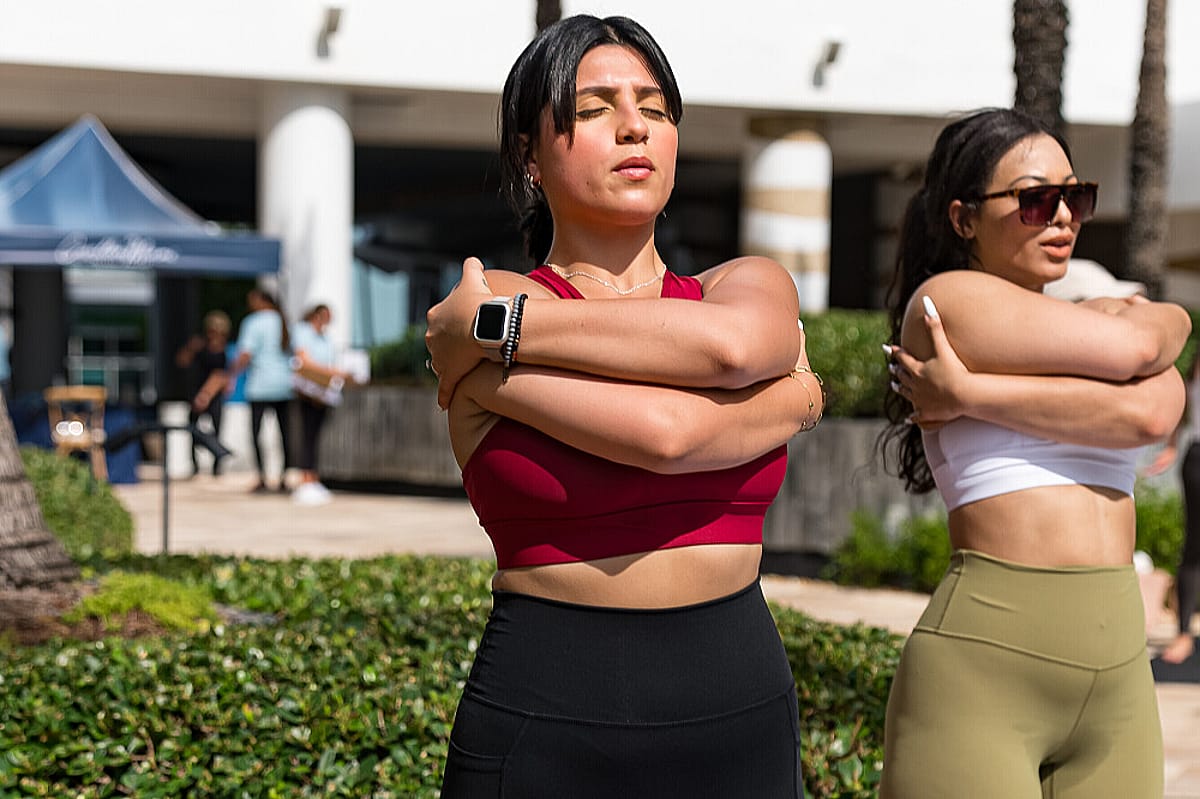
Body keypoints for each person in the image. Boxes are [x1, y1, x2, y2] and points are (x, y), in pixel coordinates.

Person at [423, 15, 822, 797]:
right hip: (548, 715)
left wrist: (497, 335)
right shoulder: (497, 292)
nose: (635, 124)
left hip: (742, 709)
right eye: (596, 106)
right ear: (529, 155)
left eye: (655, 106)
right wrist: (796, 398)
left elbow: (734, 347)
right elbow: (669, 435)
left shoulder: (743, 284)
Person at [879, 107, 1190, 798]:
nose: (1062, 218)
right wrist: (1140, 325)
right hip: (983, 677)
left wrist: (971, 391)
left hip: (1120, 682)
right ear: (963, 218)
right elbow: (1144, 352)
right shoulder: (946, 302)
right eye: (1035, 200)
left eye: (1075, 197)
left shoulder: (1089, 308)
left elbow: (1156, 402)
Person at [1145, 350, 1200, 664]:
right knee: (1193, 547)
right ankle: (1183, 634)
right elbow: (1183, 406)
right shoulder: (1193, 365)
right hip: (1196, 457)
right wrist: (1170, 446)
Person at [229, 288, 293, 493]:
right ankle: (284, 477)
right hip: (284, 386)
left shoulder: (253, 322)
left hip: (260, 386)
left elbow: (245, 354)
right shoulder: (283, 321)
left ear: (260, 301)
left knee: (256, 434)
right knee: (285, 434)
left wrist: (230, 375)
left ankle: (263, 477)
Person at [289, 303, 351, 506]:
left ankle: (313, 477)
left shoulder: (326, 338)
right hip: (306, 391)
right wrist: (331, 374)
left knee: (315, 436)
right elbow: (303, 361)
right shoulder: (303, 332)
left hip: (323, 394)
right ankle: (305, 478)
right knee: (306, 435)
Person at [175, 310, 232, 476]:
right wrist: (190, 348)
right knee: (192, 429)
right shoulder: (199, 346)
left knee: (217, 430)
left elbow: (219, 376)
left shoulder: (222, 352)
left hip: (211, 394)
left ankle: (217, 465)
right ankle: (194, 464)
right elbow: (181, 361)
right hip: (197, 392)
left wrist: (205, 395)